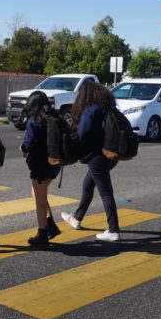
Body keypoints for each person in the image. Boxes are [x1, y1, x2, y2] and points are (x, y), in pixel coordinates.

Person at [60, 81, 121, 241]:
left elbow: (82, 133)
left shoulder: (90, 110)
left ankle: (113, 230)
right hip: (110, 154)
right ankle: (77, 218)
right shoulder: (107, 108)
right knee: (88, 184)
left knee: (106, 193)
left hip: (96, 157)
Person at [18, 91, 63, 246]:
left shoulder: (34, 120)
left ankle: (42, 234)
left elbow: (28, 144)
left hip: (39, 166)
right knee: (38, 193)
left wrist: (22, 147)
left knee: (39, 199)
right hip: (55, 164)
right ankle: (50, 224)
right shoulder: (55, 118)